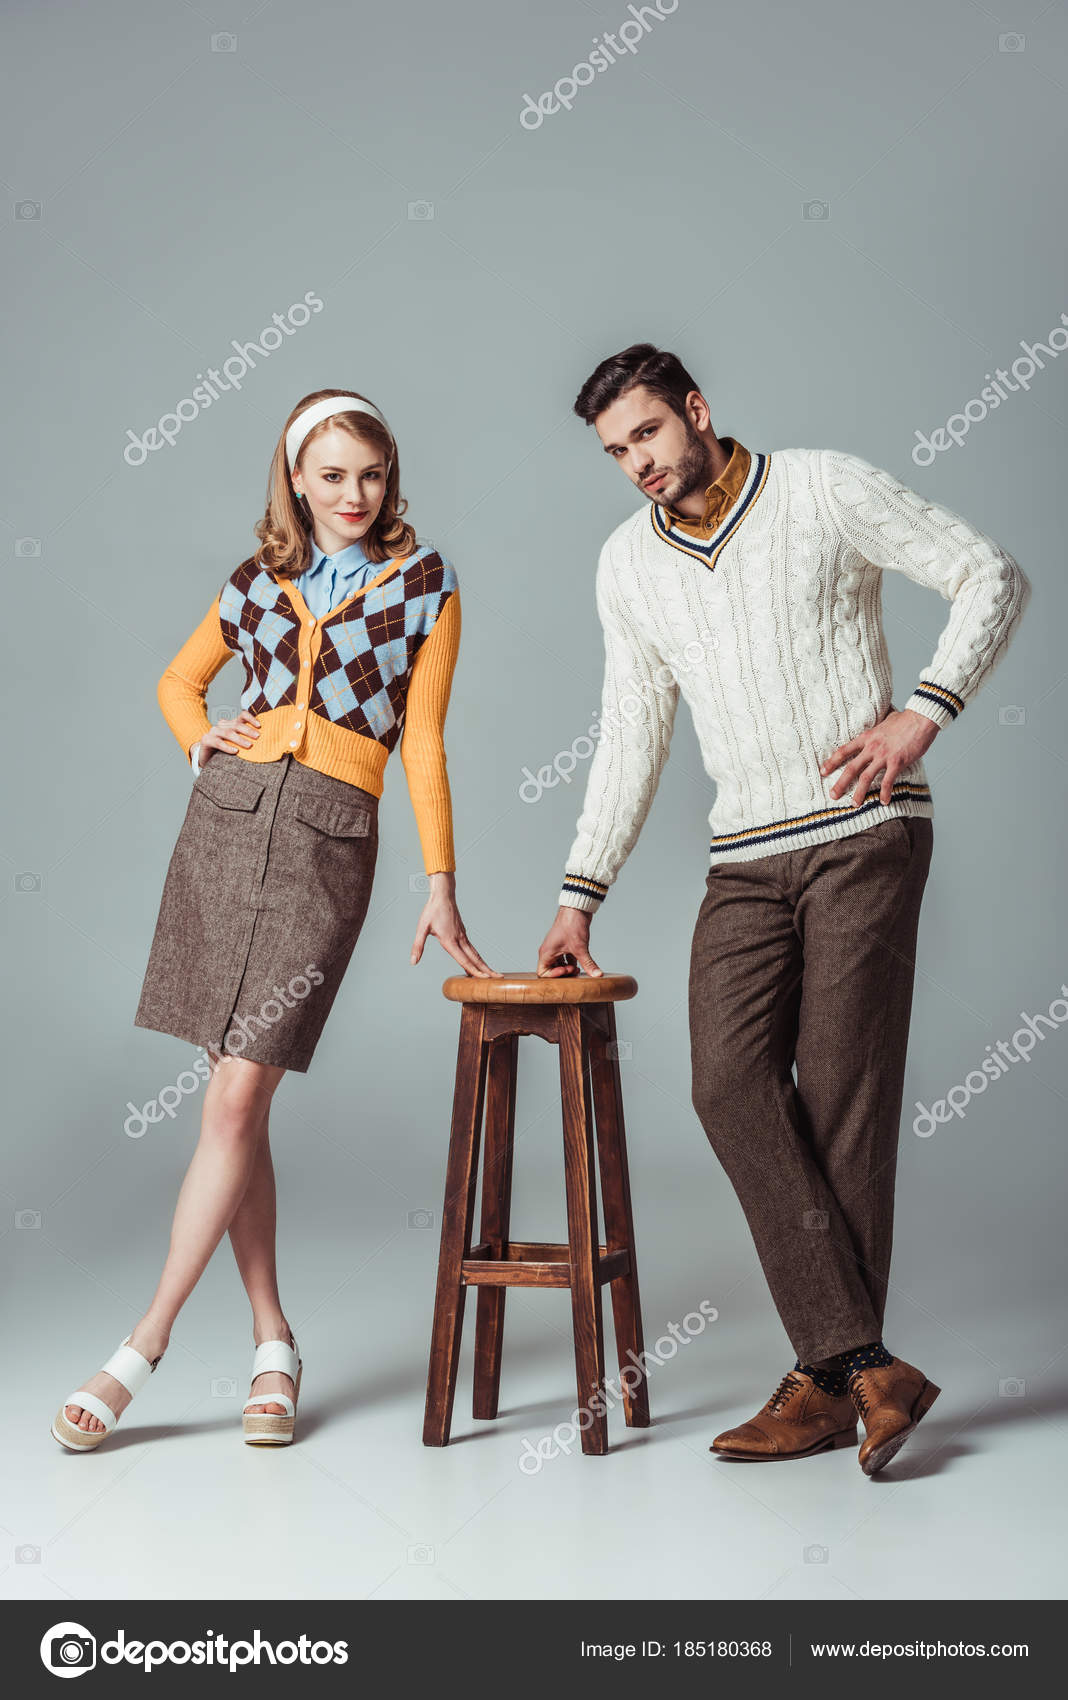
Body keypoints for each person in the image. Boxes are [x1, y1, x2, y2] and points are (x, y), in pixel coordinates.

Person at [537, 343, 1030, 1474]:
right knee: (727, 1081)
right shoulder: (627, 566)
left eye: (649, 435)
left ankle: (823, 1380)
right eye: (617, 452)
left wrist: (923, 715)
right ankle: (865, 1367)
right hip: (745, 860)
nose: (638, 464)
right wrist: (579, 894)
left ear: (698, 411)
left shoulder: (822, 485)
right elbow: (629, 734)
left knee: (844, 1095)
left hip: (867, 833)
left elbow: (989, 572)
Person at [52, 389, 494, 1453]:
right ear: (297, 477)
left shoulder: (425, 584)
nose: (354, 494)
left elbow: (422, 743)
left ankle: (142, 1344)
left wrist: (440, 878)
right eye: (333, 474)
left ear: (391, 479)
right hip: (223, 828)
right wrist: (202, 735)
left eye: (372, 474)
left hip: (326, 845)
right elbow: (178, 680)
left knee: (239, 1092)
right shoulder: (255, 582)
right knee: (231, 1101)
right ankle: (272, 1338)